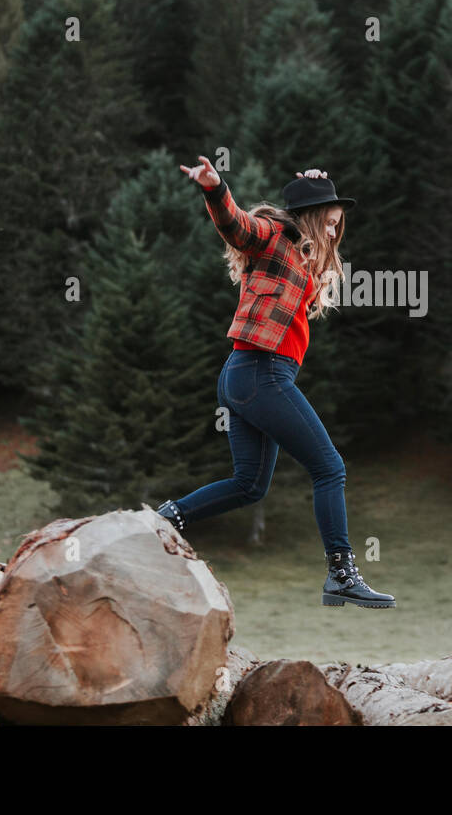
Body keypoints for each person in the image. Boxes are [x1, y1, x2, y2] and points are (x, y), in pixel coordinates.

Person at [158, 155, 395, 609]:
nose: (333, 233)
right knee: (330, 468)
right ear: (306, 219)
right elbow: (237, 226)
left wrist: (315, 185)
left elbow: (309, 238)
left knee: (250, 485)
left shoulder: (305, 260)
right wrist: (214, 188)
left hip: (245, 375)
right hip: (259, 372)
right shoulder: (273, 238)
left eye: (337, 225)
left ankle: (168, 518)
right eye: (326, 222)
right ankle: (341, 573)